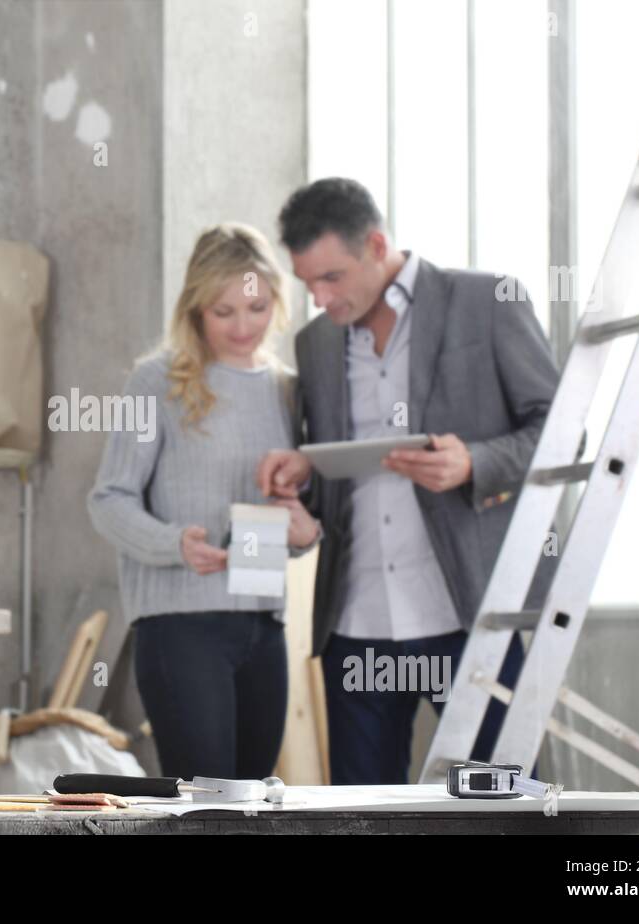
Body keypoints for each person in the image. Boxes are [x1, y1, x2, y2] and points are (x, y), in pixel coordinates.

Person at [257, 178, 560, 784]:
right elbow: (334, 481)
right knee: (362, 819)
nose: (318, 297)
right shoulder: (316, 344)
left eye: (332, 278)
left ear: (376, 244)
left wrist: (474, 462)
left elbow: (560, 430)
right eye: (307, 281)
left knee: (498, 810)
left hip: (467, 613)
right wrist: (303, 484)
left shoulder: (486, 301)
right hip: (357, 625)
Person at [88, 222, 320, 781]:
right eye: (224, 312)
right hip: (179, 626)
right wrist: (174, 544)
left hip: (264, 625)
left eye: (257, 308)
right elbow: (108, 500)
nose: (244, 327)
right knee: (206, 804)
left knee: (250, 808)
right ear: (195, 308)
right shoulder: (156, 381)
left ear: (278, 302)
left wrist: (304, 532)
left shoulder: (289, 390)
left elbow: (299, 525)